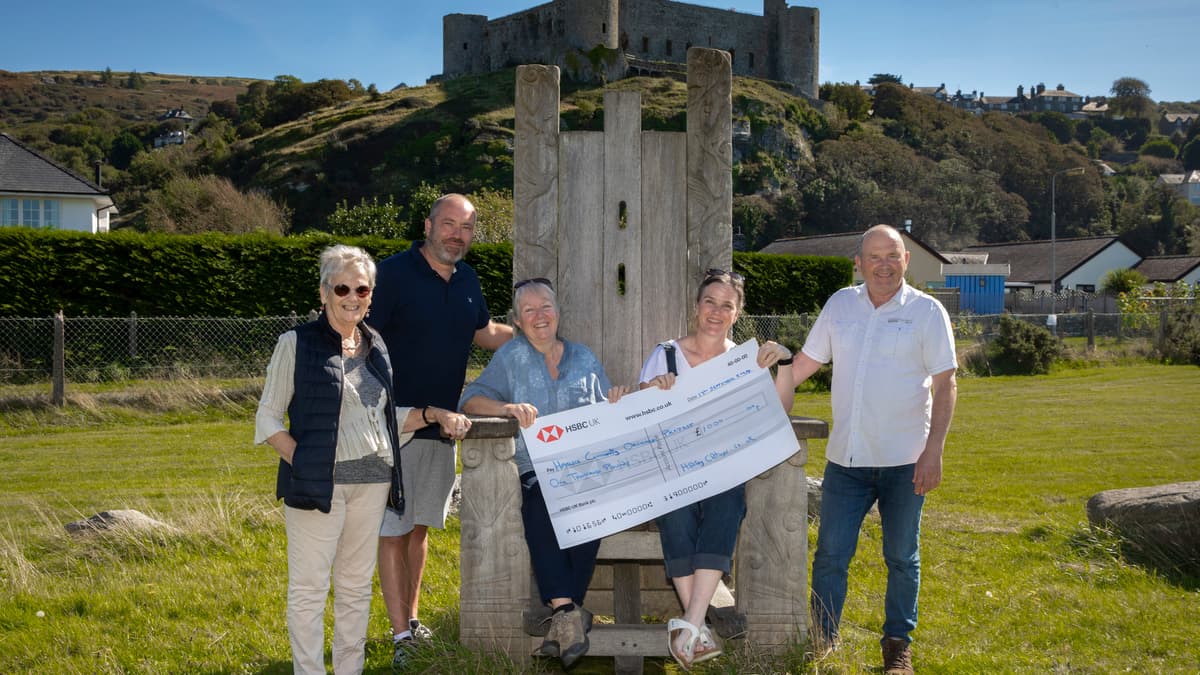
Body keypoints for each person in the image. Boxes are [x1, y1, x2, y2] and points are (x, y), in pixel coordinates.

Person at [255, 245, 465, 674]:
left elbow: (385, 418)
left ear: (371, 294)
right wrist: (306, 463)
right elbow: (268, 418)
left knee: (354, 589)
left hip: (373, 485)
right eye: (342, 287)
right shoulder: (296, 343)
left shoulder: (375, 345)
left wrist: (432, 414)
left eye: (362, 288)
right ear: (324, 292)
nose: (353, 296)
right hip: (318, 488)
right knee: (310, 589)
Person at [769, 225, 958, 675]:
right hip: (847, 462)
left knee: (901, 557)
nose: (884, 265)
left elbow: (946, 384)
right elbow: (803, 366)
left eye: (892, 256)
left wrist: (934, 452)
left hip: (905, 460)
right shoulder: (840, 305)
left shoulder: (928, 312)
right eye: (874, 256)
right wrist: (756, 385)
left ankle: (897, 646)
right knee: (831, 553)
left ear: (906, 260)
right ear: (859, 262)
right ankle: (823, 636)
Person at [365, 193, 513, 667]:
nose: (456, 234)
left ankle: (411, 620)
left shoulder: (467, 279)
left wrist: (533, 327)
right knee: (392, 530)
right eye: (448, 224)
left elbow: (484, 331)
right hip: (395, 423)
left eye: (466, 227)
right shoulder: (391, 273)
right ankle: (399, 637)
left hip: (443, 426)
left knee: (419, 528)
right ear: (428, 225)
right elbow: (359, 337)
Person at [458, 278, 628, 669]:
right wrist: (508, 408)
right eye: (529, 310)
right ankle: (570, 610)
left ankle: (563, 616)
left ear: (558, 312)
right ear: (517, 320)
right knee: (541, 504)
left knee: (590, 508)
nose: (539, 316)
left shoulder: (584, 357)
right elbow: (470, 399)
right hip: (536, 470)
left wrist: (618, 397)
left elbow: (606, 409)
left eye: (545, 307)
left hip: (584, 472)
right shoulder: (511, 357)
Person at [638, 268, 794, 670]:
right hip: (673, 468)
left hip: (722, 470)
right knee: (673, 511)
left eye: (727, 305)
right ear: (696, 307)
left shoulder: (746, 361)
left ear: (737, 314)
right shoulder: (665, 354)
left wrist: (785, 363)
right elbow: (638, 416)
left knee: (727, 503)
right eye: (710, 301)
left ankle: (690, 621)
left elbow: (779, 410)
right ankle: (697, 624)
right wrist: (652, 391)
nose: (716, 311)